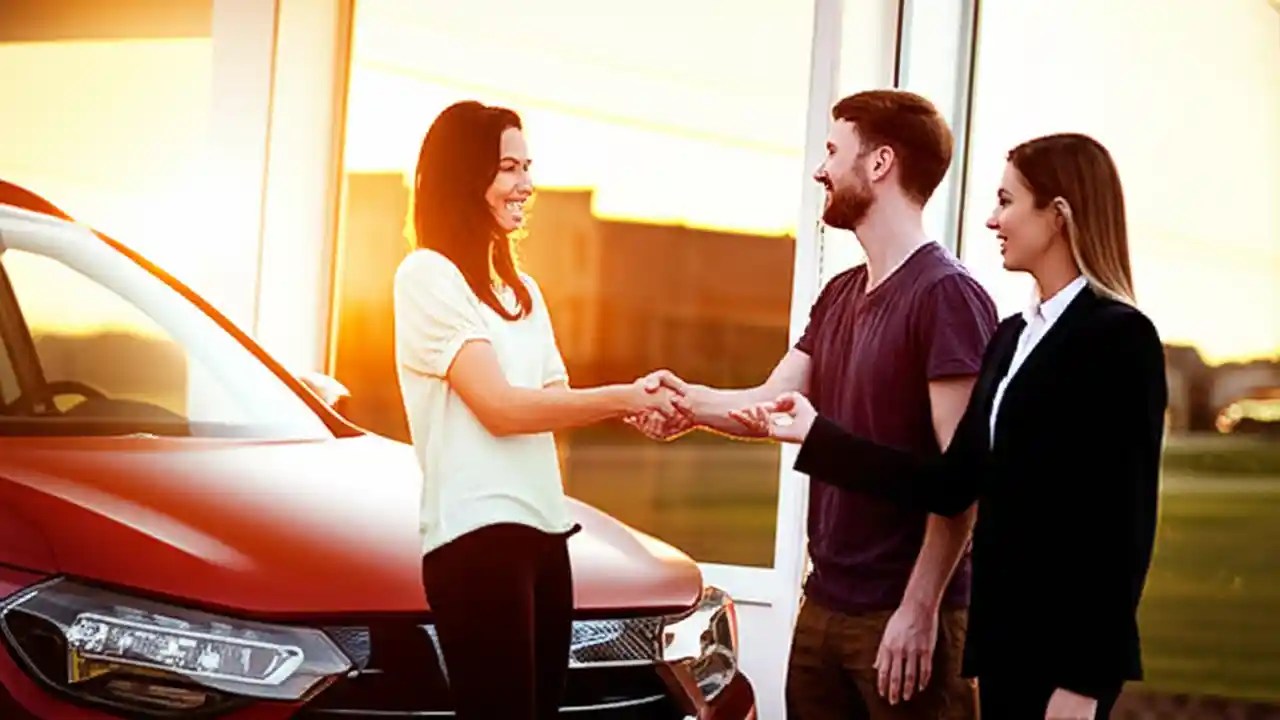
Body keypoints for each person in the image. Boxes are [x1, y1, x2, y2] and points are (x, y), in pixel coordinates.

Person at [731, 132, 1168, 720]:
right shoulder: (1013, 336)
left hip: (1066, 663)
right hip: (1005, 646)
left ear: (1058, 215)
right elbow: (951, 482)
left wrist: (1083, 683)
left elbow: (1123, 528)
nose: (992, 220)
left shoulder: (1118, 338)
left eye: (1008, 202)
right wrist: (820, 439)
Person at [633, 90, 997, 719]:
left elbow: (962, 482)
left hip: (902, 620)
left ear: (880, 164)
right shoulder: (840, 293)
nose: (820, 169)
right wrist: (685, 403)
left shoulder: (947, 298)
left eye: (833, 150)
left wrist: (919, 607)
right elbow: (775, 403)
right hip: (825, 607)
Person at [393, 100, 688, 719]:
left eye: (527, 166)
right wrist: (622, 396)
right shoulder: (426, 276)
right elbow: (499, 407)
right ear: (463, 175)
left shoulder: (523, 293)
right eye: (507, 167)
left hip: (544, 536)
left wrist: (641, 404)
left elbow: (553, 405)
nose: (526, 184)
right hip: (475, 541)